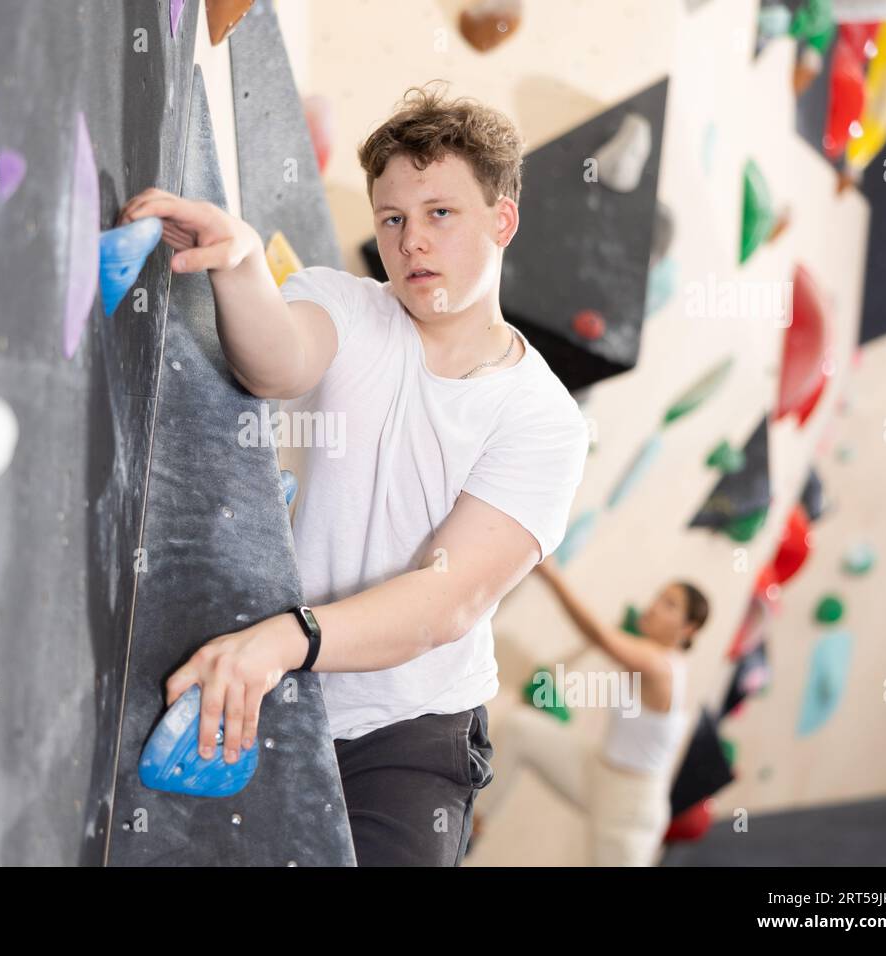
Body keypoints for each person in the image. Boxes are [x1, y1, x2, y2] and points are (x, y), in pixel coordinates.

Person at [116, 81, 590, 865]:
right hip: (282, 685)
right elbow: (278, 359)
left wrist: (286, 640)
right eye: (393, 218)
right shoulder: (346, 305)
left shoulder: (544, 420)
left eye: (441, 213)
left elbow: (445, 600)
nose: (412, 243)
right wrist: (237, 260)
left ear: (501, 220)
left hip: (409, 730)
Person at [490, 556, 709, 866]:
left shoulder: (662, 667)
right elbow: (609, 642)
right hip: (596, 771)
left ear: (688, 629)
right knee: (518, 729)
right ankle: (471, 827)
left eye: (670, 605)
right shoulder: (647, 654)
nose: (655, 606)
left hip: (630, 807)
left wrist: (552, 576)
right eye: (659, 597)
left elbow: (601, 638)